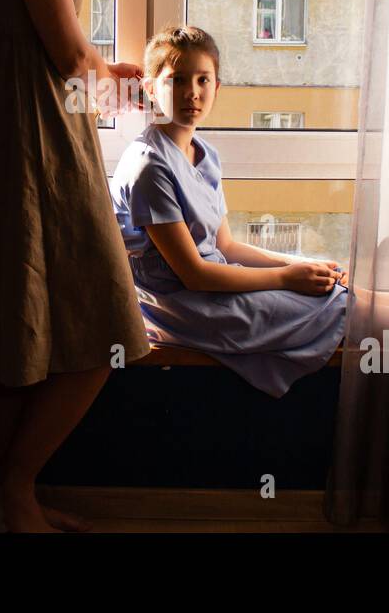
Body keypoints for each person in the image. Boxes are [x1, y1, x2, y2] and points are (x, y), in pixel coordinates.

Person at [0, 0, 151, 533]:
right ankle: (15, 491)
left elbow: (63, 49)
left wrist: (105, 74)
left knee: (49, 322)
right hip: (39, 137)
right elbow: (63, 54)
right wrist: (113, 84)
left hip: (52, 126)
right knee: (108, 326)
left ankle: (16, 497)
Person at [109, 25, 349, 399]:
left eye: (203, 79)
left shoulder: (205, 155)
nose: (192, 92)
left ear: (216, 87)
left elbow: (228, 247)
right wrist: (288, 278)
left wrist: (307, 264)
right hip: (183, 305)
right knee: (349, 309)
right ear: (152, 88)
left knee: (348, 294)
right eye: (177, 81)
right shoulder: (148, 167)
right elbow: (193, 274)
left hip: (216, 283)